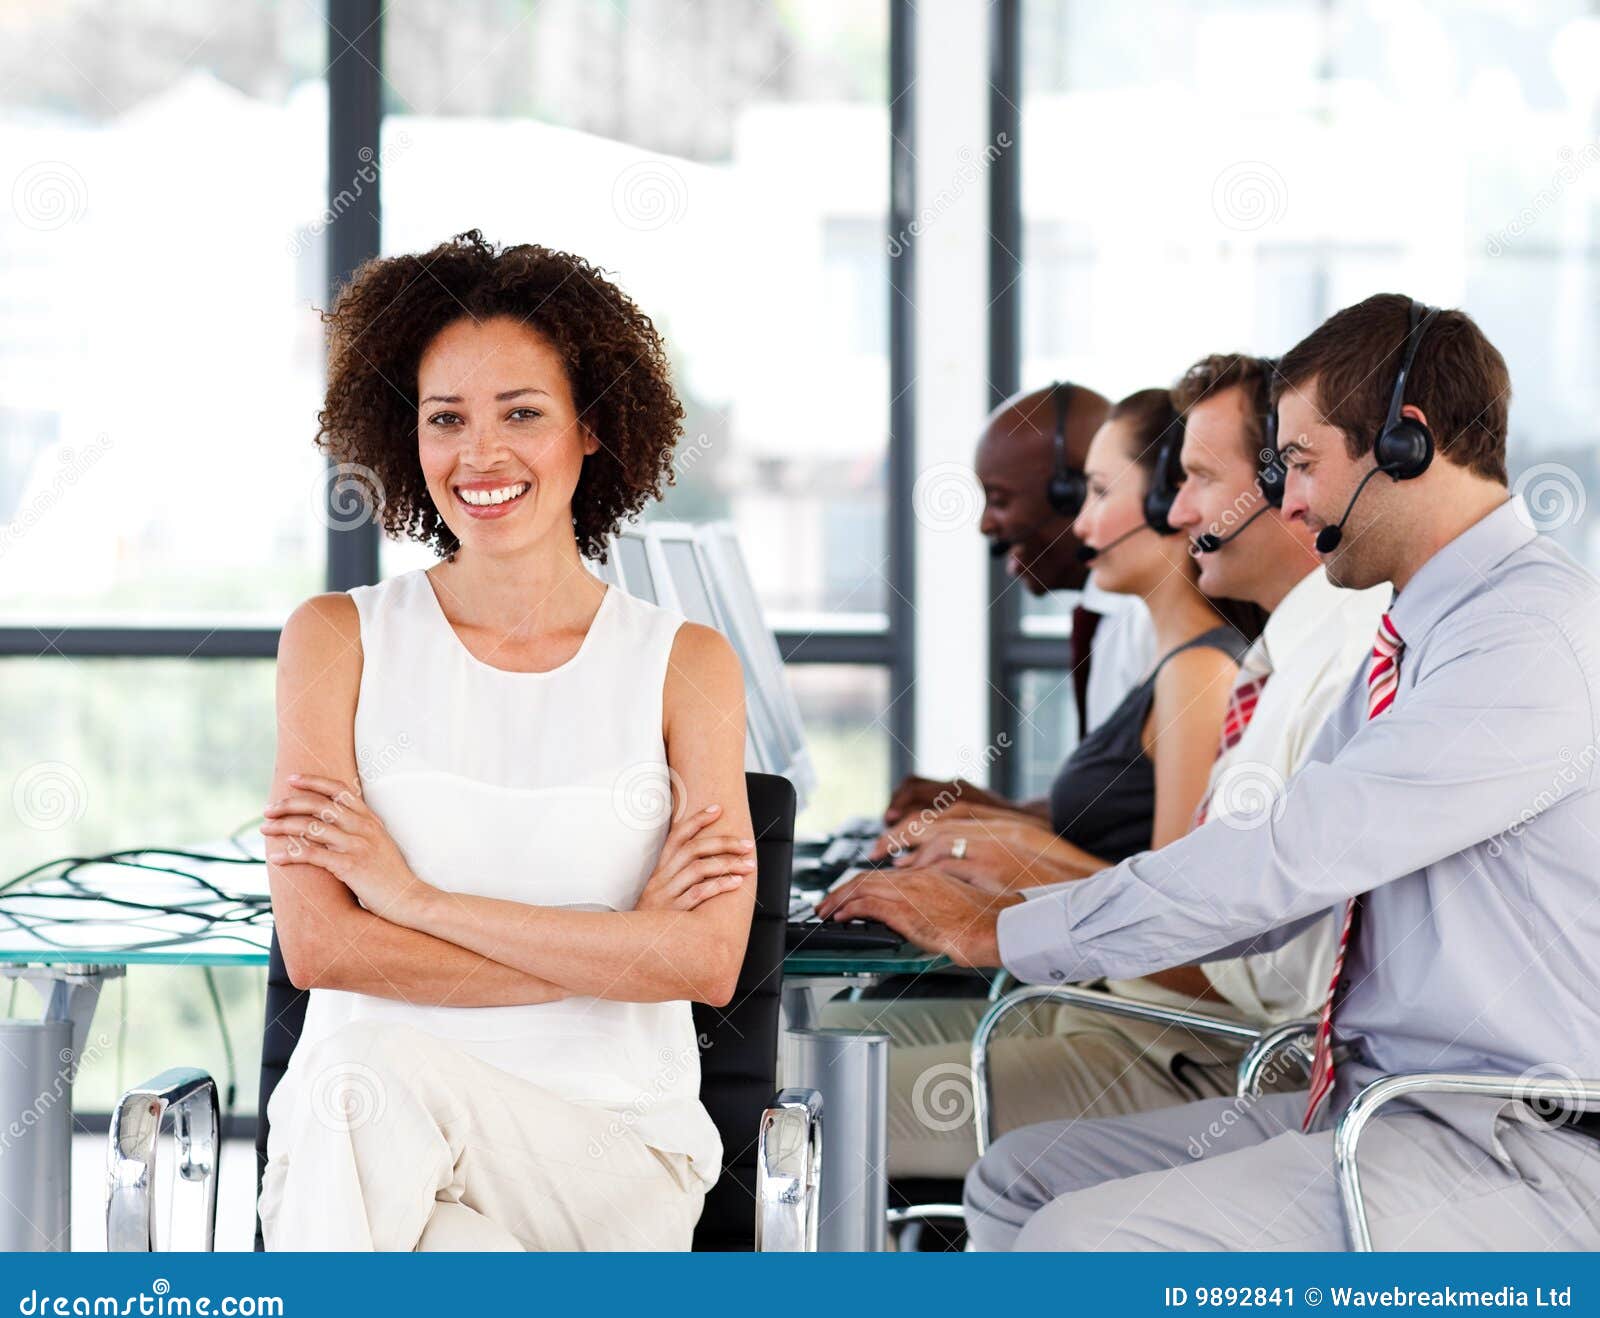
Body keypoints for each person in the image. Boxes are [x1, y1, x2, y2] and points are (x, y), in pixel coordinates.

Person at [828, 293, 1600, 1250]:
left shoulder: (1525, 638)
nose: (1291, 502)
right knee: (1017, 1181)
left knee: (1078, 1246)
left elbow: (1290, 856)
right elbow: (1267, 886)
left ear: (1404, 444)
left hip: (1518, 1152)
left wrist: (1008, 930)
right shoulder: (1419, 633)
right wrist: (1025, 913)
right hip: (1381, 1112)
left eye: (1305, 464)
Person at [257, 231, 757, 1252]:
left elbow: (705, 958)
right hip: (360, 1162)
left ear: (591, 429)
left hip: (600, 1160)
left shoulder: (684, 663)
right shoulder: (335, 640)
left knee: (365, 1080)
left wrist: (413, 903)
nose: (479, 456)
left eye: (522, 413)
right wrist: (618, 948)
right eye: (446, 420)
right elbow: (320, 947)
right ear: (408, 440)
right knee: (418, 1203)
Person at [830, 356, 1393, 1179]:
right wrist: (1005, 877)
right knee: (819, 1051)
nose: (1179, 508)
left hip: (1185, 1049)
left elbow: (1237, 953)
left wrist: (1008, 899)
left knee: (807, 1095)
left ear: (1282, 486)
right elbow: (1202, 902)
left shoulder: (1311, 670)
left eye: (1197, 479)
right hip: (1130, 1016)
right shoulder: (1276, 668)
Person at [883, 381, 1155, 830]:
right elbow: (1112, 819)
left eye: (1001, 499)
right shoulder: (1106, 617)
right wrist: (990, 811)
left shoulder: (1144, 623)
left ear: (1071, 493)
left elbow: (1152, 849)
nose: (986, 524)